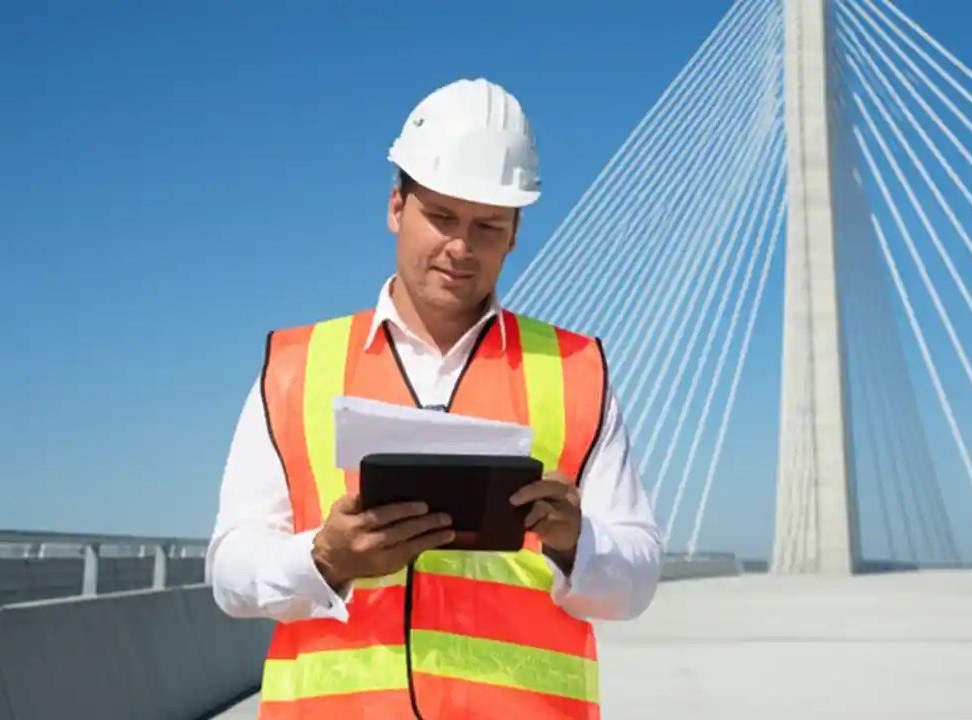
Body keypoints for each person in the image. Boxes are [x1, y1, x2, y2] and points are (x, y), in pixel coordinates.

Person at [206, 77, 661, 719]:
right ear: (396, 206)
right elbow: (230, 572)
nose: (460, 247)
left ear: (514, 234)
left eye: (487, 226)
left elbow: (637, 579)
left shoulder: (577, 370)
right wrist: (324, 558)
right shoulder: (294, 366)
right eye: (441, 217)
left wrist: (574, 541)